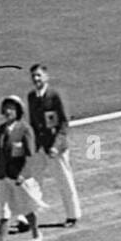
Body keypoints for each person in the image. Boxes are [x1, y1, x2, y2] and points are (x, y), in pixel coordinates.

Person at [21, 64, 82, 227]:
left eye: (39, 75)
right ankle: (28, 217)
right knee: (33, 181)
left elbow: (64, 123)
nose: (36, 79)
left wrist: (56, 145)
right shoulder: (31, 97)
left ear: (46, 77)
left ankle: (72, 215)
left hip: (55, 147)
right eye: (33, 76)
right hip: (39, 146)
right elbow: (33, 123)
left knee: (64, 181)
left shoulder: (55, 96)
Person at [0, 96, 47, 241]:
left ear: (18, 111)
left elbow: (30, 155)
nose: (8, 111)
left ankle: (36, 236)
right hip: (3, 176)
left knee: (27, 209)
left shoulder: (25, 129)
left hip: (19, 178)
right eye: (6, 107)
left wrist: (23, 174)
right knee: (4, 211)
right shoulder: (2, 129)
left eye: (12, 108)